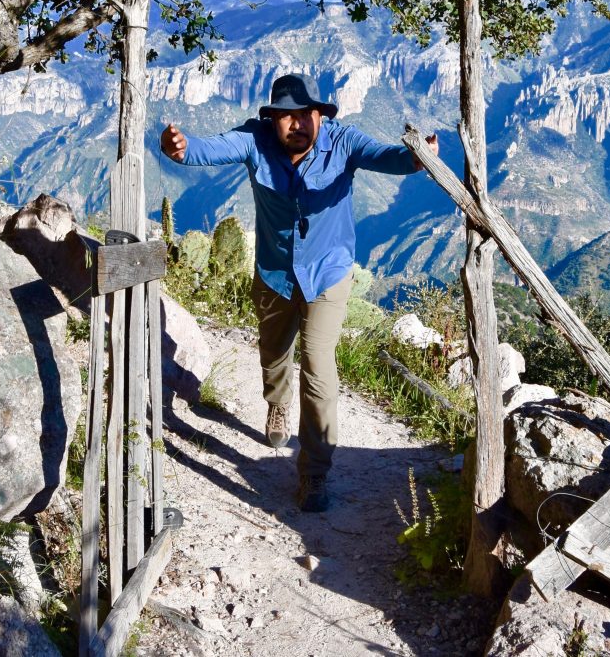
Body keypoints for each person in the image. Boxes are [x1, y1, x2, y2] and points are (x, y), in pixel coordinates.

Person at [160, 73, 438, 512]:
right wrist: (180, 147)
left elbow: (388, 158)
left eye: (304, 115)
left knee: (318, 362)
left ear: (319, 115)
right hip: (274, 274)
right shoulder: (255, 140)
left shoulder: (343, 141)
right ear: (271, 120)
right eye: (285, 116)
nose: (296, 124)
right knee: (273, 354)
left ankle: (314, 473)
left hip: (328, 274)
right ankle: (277, 403)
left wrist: (418, 156)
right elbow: (206, 149)